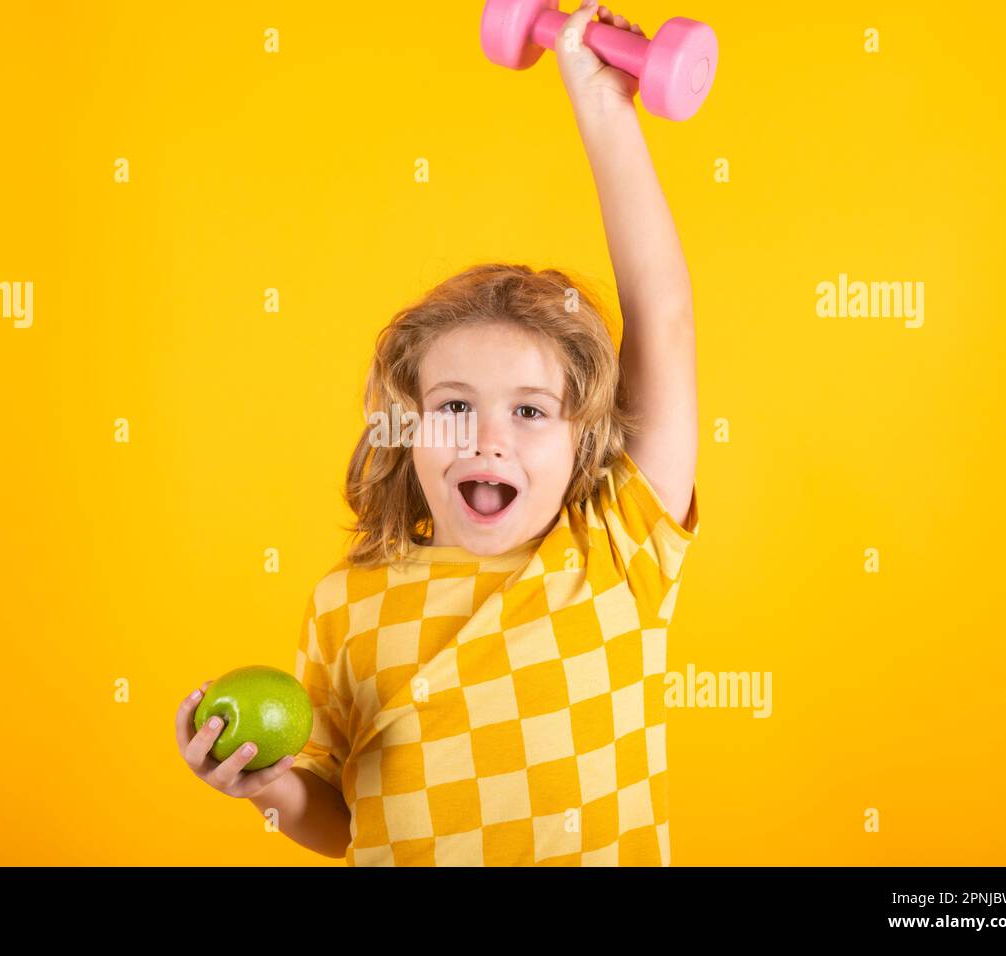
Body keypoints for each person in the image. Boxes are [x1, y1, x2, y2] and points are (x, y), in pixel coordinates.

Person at [176, 0, 701, 866]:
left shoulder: (615, 550)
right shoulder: (344, 608)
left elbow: (664, 319)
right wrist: (265, 787)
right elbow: (341, 820)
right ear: (406, 427)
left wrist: (602, 107)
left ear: (583, 440)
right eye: (455, 406)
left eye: (531, 411)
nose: (487, 438)